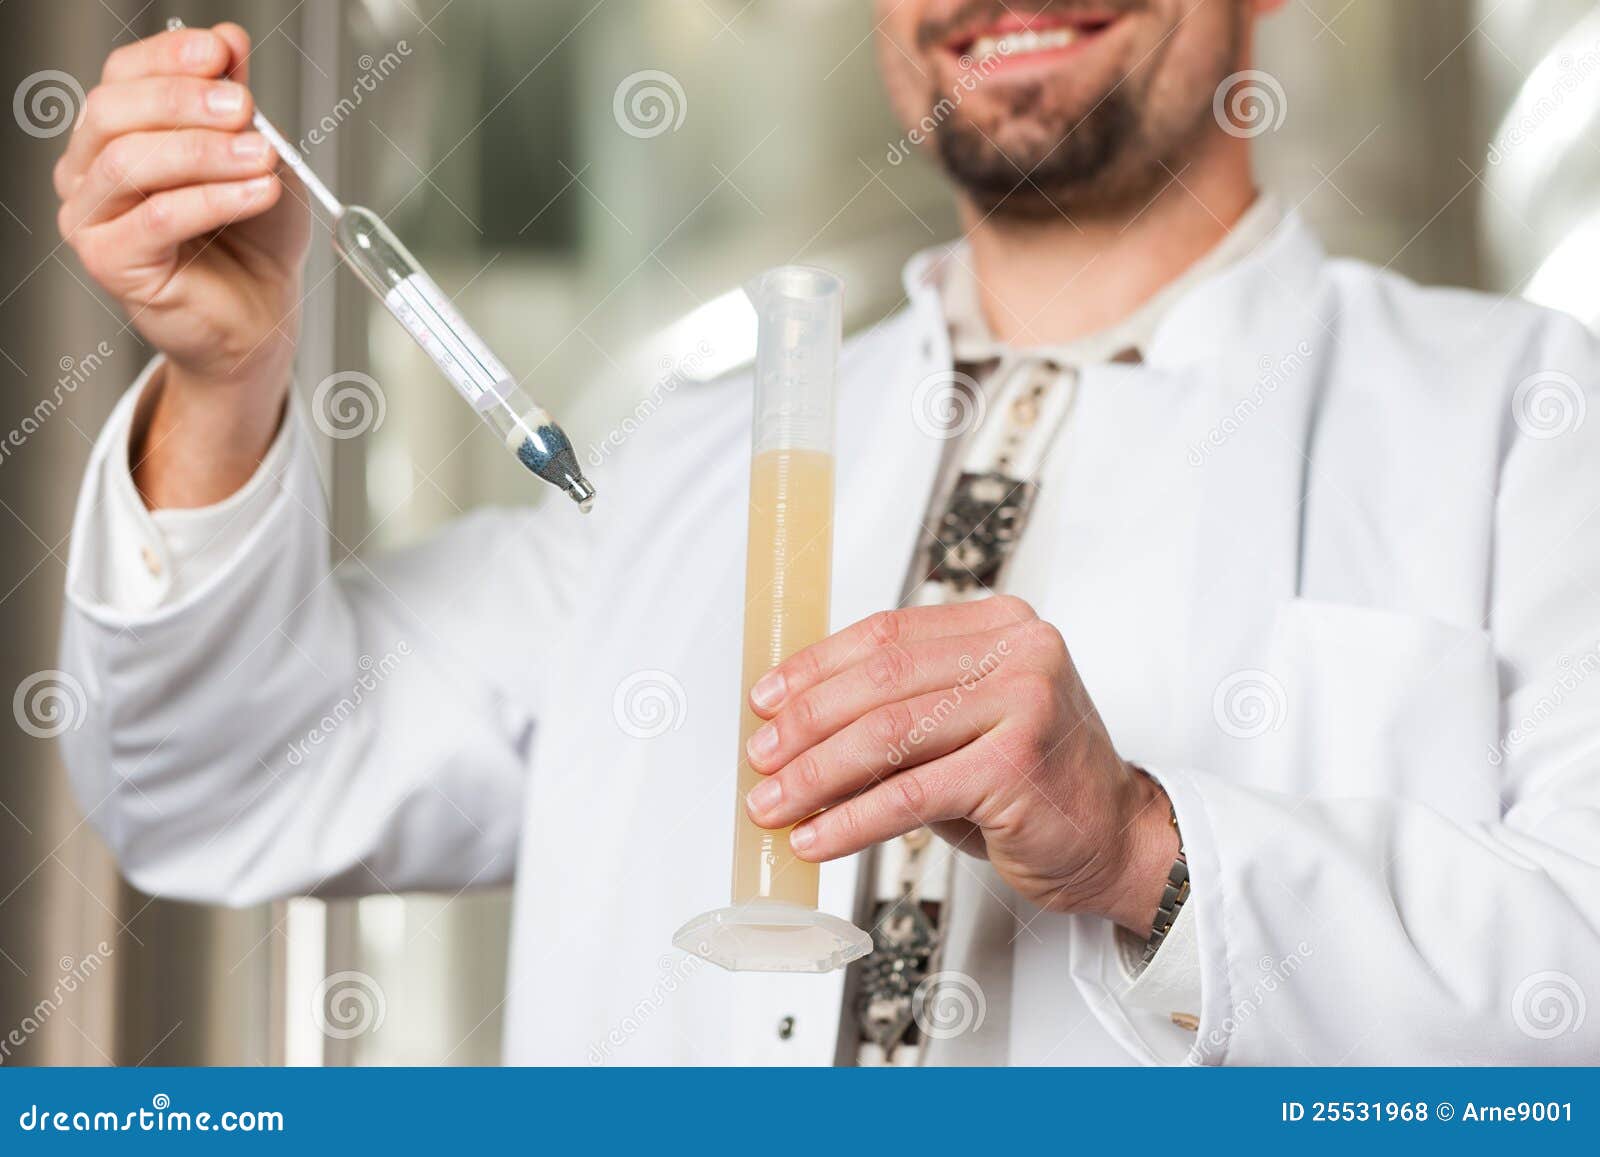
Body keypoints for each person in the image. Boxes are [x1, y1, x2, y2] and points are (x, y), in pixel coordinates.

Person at [53, 0, 1600, 1066]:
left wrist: (1147, 844)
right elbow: (224, 773)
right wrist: (226, 370)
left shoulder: (1525, 420)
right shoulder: (683, 474)